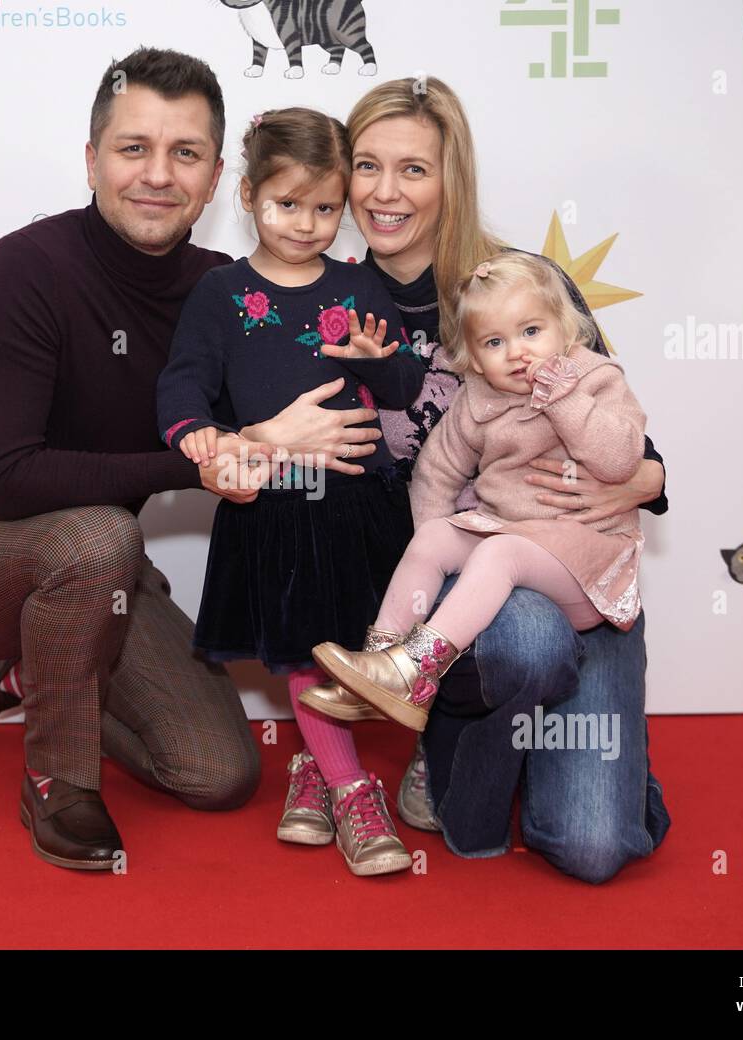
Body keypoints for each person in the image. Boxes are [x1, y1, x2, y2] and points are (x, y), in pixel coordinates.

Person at [241, 76, 672, 882]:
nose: (385, 192)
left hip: (573, 558)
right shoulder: (329, 300)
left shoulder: (521, 288)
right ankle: (445, 719)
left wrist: (643, 478)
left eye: (414, 169)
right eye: (366, 166)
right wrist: (253, 442)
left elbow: (630, 435)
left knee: (594, 847)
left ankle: (517, 741)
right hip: (444, 573)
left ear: (452, 179)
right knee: (526, 642)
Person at [0, 48, 284, 870]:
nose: (157, 174)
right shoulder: (22, 269)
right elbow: (9, 481)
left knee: (220, 774)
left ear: (215, 177)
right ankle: (57, 781)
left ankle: (27, 676)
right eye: (133, 147)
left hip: (97, 573)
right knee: (103, 535)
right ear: (91, 160)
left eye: (184, 153)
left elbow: (288, 397)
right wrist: (200, 463)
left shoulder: (222, 292)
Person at [156, 107, 426, 876]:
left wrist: (378, 361)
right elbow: (184, 386)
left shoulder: (359, 281)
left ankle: (311, 766)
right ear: (246, 195)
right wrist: (195, 436)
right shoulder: (220, 293)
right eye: (287, 205)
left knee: (357, 651)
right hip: (278, 504)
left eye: (325, 208)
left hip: (365, 502)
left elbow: (406, 384)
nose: (307, 224)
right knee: (308, 645)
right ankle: (351, 791)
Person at [313, 251, 648, 732]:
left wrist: (567, 400)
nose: (517, 352)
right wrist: (440, 550)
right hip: (513, 539)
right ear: (473, 356)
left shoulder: (594, 378)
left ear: (566, 328)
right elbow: (436, 471)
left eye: (531, 332)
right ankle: (381, 662)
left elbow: (620, 458)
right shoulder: (479, 398)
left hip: (587, 560)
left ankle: (414, 671)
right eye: (495, 342)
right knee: (432, 538)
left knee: (501, 552)